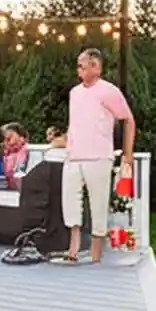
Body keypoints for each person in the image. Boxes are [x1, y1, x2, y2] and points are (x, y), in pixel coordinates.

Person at [56, 48, 136, 264]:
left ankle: (95, 255)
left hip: (99, 157)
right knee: (70, 203)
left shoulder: (108, 91)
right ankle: (72, 251)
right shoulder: (74, 93)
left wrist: (127, 155)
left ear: (95, 67)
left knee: (98, 204)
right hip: (74, 156)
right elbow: (77, 123)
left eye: (82, 65)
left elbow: (128, 119)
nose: (78, 69)